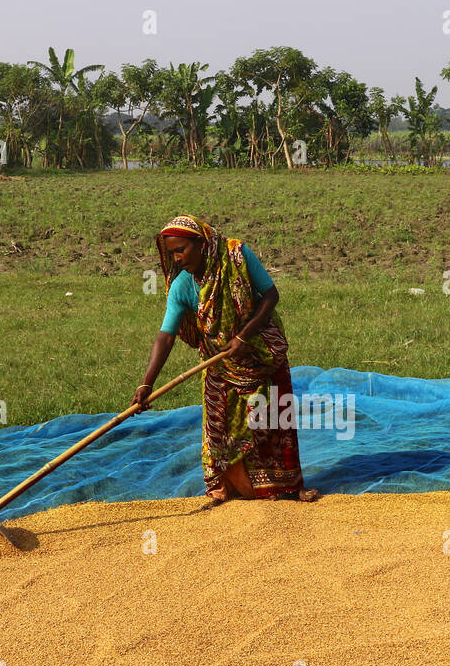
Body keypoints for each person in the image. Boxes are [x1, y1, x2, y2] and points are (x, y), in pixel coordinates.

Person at [132, 214, 319, 504]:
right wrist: (146, 385)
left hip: (260, 352)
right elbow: (166, 336)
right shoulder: (183, 286)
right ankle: (230, 487)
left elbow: (270, 295)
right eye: (172, 253)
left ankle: (289, 486)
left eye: (181, 249)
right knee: (222, 430)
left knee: (273, 422)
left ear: (202, 244)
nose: (177, 258)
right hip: (220, 362)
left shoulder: (237, 257)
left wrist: (244, 337)